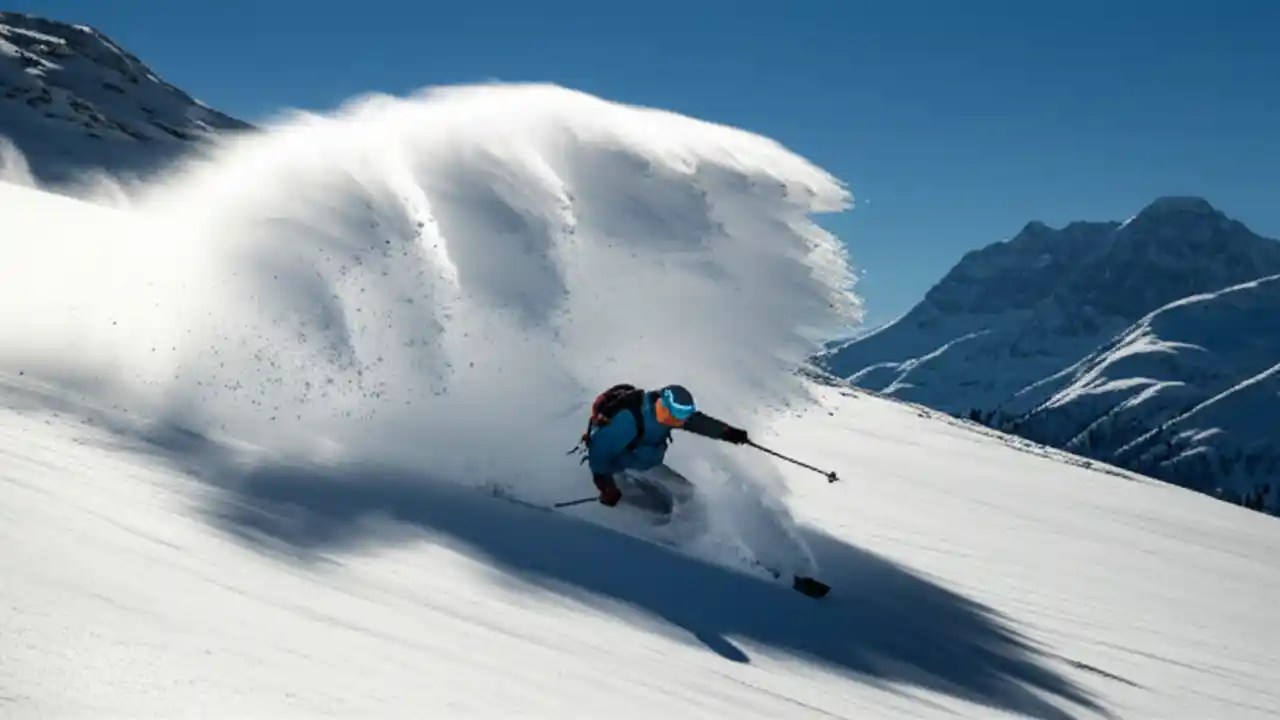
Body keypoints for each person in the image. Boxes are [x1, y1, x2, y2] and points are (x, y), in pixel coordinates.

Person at [583, 384, 750, 507]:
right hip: (621, 468)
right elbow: (598, 454)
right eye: (678, 417)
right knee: (652, 504)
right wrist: (607, 488)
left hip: (647, 463)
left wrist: (729, 433)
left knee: (687, 494)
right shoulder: (627, 422)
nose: (681, 422)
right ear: (663, 407)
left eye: (685, 416)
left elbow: (698, 423)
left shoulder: (670, 414)